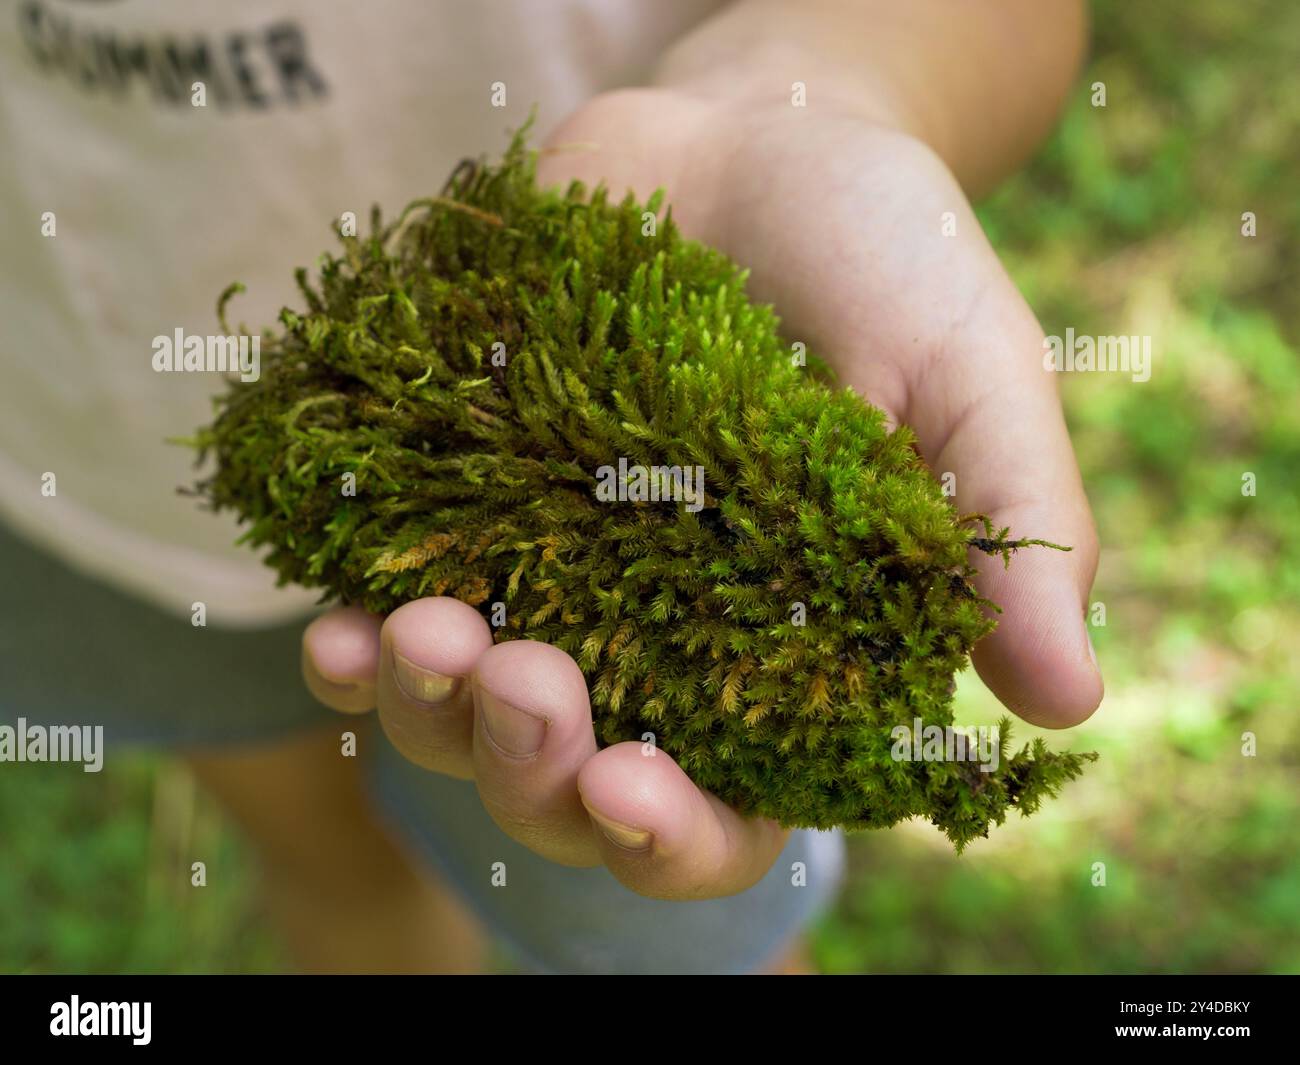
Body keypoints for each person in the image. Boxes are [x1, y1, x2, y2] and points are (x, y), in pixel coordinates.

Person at [1, 0, 1102, 973]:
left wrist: (790, 92)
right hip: (71, 450)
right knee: (335, 872)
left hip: (434, 371)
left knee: (680, 949)